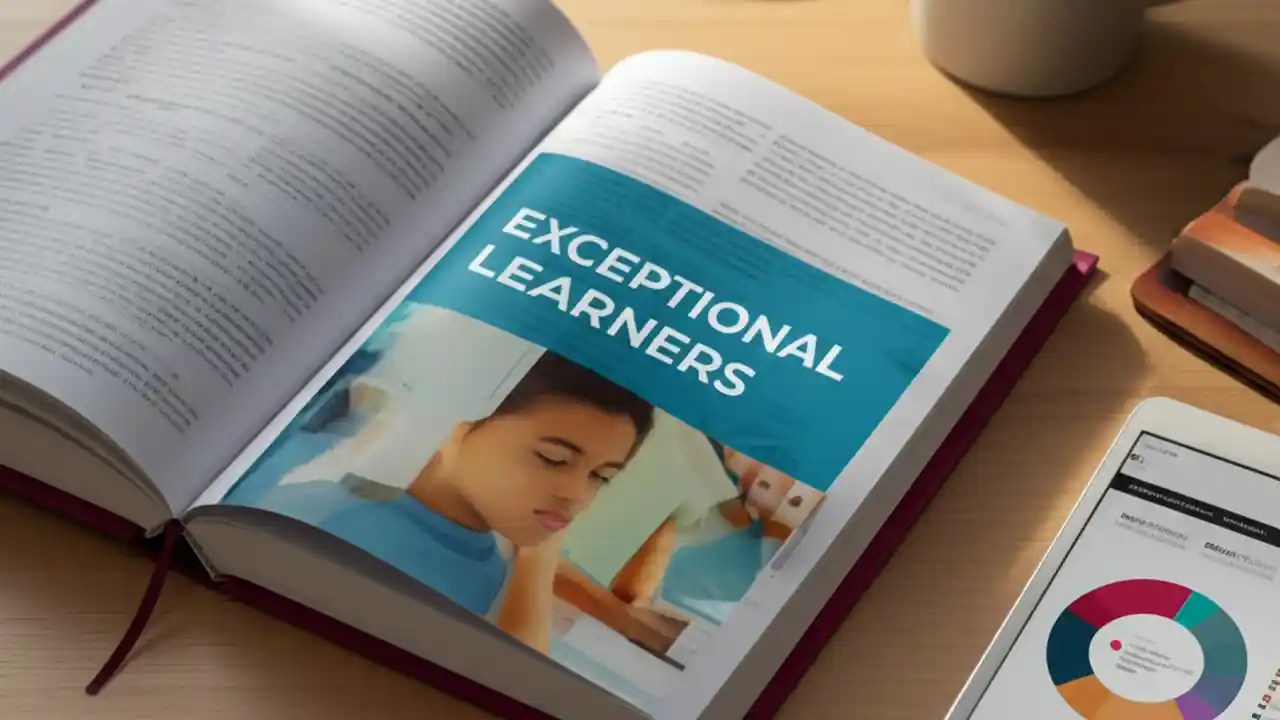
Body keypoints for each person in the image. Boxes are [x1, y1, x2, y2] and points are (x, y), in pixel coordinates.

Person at [255, 351, 655, 653]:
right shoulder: (341, 533)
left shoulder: (491, 537)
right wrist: (539, 561)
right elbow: (509, 686)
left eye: (601, 477)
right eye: (554, 459)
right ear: (459, 422)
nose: (579, 495)